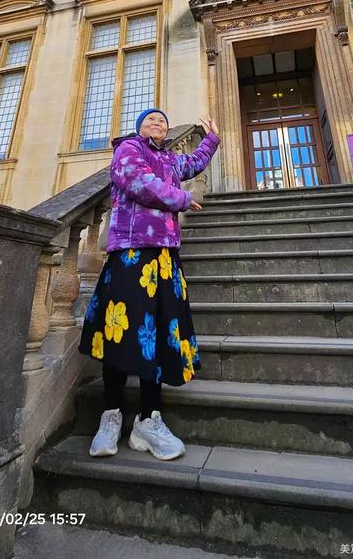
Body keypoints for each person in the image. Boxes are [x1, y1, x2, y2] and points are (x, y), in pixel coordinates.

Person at [78, 108, 220, 461]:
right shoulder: (128, 149)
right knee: (119, 331)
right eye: (150, 119)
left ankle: (148, 419)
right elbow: (139, 184)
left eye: (162, 120)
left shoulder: (170, 160)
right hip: (131, 252)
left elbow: (194, 162)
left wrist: (212, 139)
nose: (157, 122)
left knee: (157, 332)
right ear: (139, 127)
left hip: (165, 254)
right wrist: (182, 199)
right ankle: (111, 414)